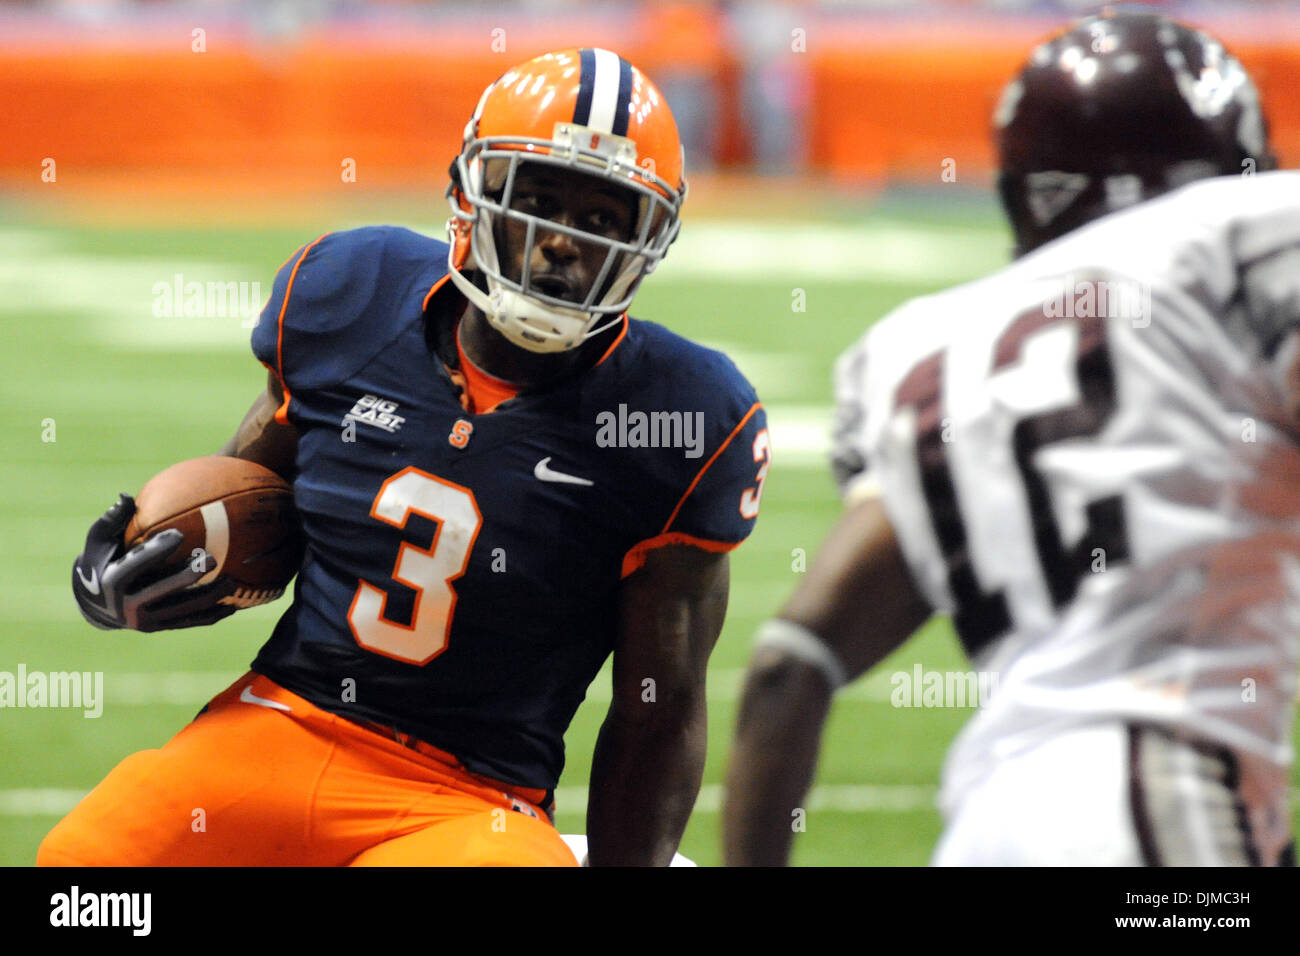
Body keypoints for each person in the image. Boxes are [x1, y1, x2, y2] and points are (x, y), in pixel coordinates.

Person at [43, 47, 769, 867]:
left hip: (472, 796)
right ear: (472, 193)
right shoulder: (349, 294)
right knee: (87, 872)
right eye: (539, 202)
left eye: (604, 221)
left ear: (649, 239)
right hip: (280, 719)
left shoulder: (681, 414)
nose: (565, 243)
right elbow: (253, 509)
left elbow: (658, 708)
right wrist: (141, 579)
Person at [724, 12, 1298, 866]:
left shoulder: (910, 350)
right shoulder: (1239, 236)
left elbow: (787, 666)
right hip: (1164, 793)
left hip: (985, 825)